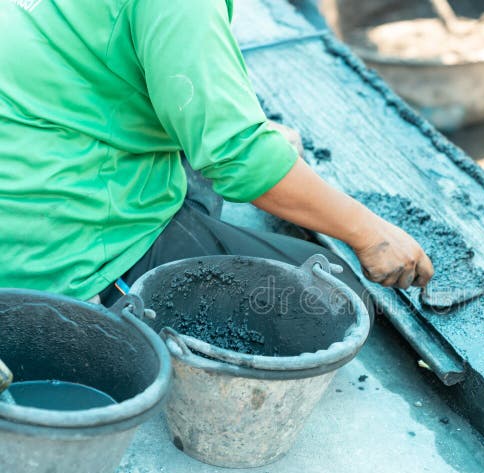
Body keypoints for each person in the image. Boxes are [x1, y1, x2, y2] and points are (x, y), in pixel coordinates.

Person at [0, 0, 434, 314]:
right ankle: (110, 302)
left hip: (30, 169)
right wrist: (370, 233)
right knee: (335, 301)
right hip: (59, 260)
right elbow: (236, 155)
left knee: (206, 175)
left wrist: (242, 127)